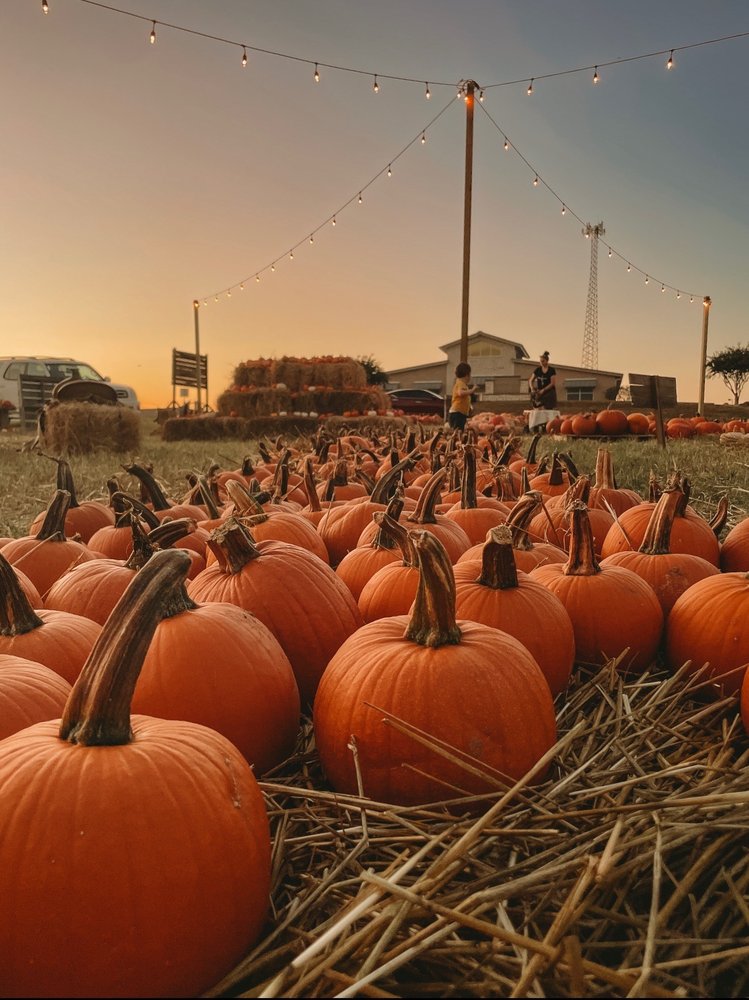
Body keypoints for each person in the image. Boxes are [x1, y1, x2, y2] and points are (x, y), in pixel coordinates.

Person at [448, 361, 474, 431]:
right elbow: (460, 393)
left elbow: (464, 398)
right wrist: (471, 390)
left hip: (459, 413)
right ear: (466, 375)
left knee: (460, 431)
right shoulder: (460, 383)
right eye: (470, 374)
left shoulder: (462, 384)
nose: (470, 377)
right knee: (458, 432)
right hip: (457, 413)